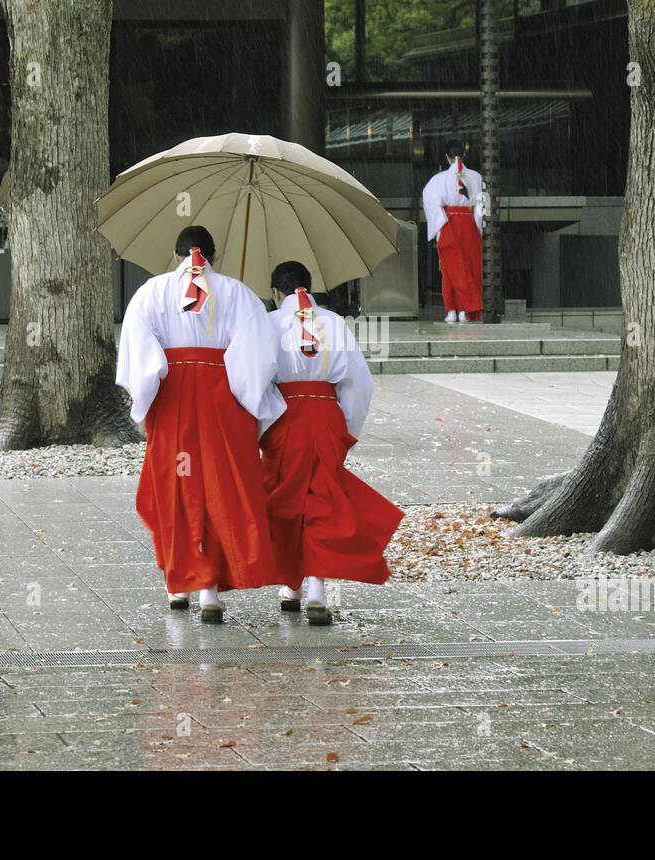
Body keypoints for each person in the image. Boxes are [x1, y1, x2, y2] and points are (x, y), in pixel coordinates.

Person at [116, 225, 292, 622]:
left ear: (175, 257)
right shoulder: (238, 293)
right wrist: (250, 401)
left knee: (175, 488)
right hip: (223, 399)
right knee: (217, 488)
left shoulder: (150, 292)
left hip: (172, 397)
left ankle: (178, 584)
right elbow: (258, 358)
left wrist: (145, 405)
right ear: (214, 256)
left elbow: (141, 356)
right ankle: (210, 593)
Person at [261, 261, 404, 625]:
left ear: (276, 293)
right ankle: (315, 589)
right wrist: (346, 428)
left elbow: (255, 379)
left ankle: (291, 585)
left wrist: (262, 427)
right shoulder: (334, 322)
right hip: (325, 415)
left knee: (285, 498)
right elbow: (358, 382)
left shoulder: (267, 323)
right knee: (321, 497)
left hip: (284, 417)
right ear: (310, 288)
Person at [421, 140, 485, 323]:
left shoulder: (438, 180)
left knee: (450, 270)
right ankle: (466, 309)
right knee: (470, 268)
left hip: (448, 224)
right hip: (469, 223)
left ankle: (451, 310)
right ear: (463, 155)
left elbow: (430, 201)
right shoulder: (476, 177)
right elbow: (482, 204)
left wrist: (439, 227)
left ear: (446, 157)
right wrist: (479, 227)